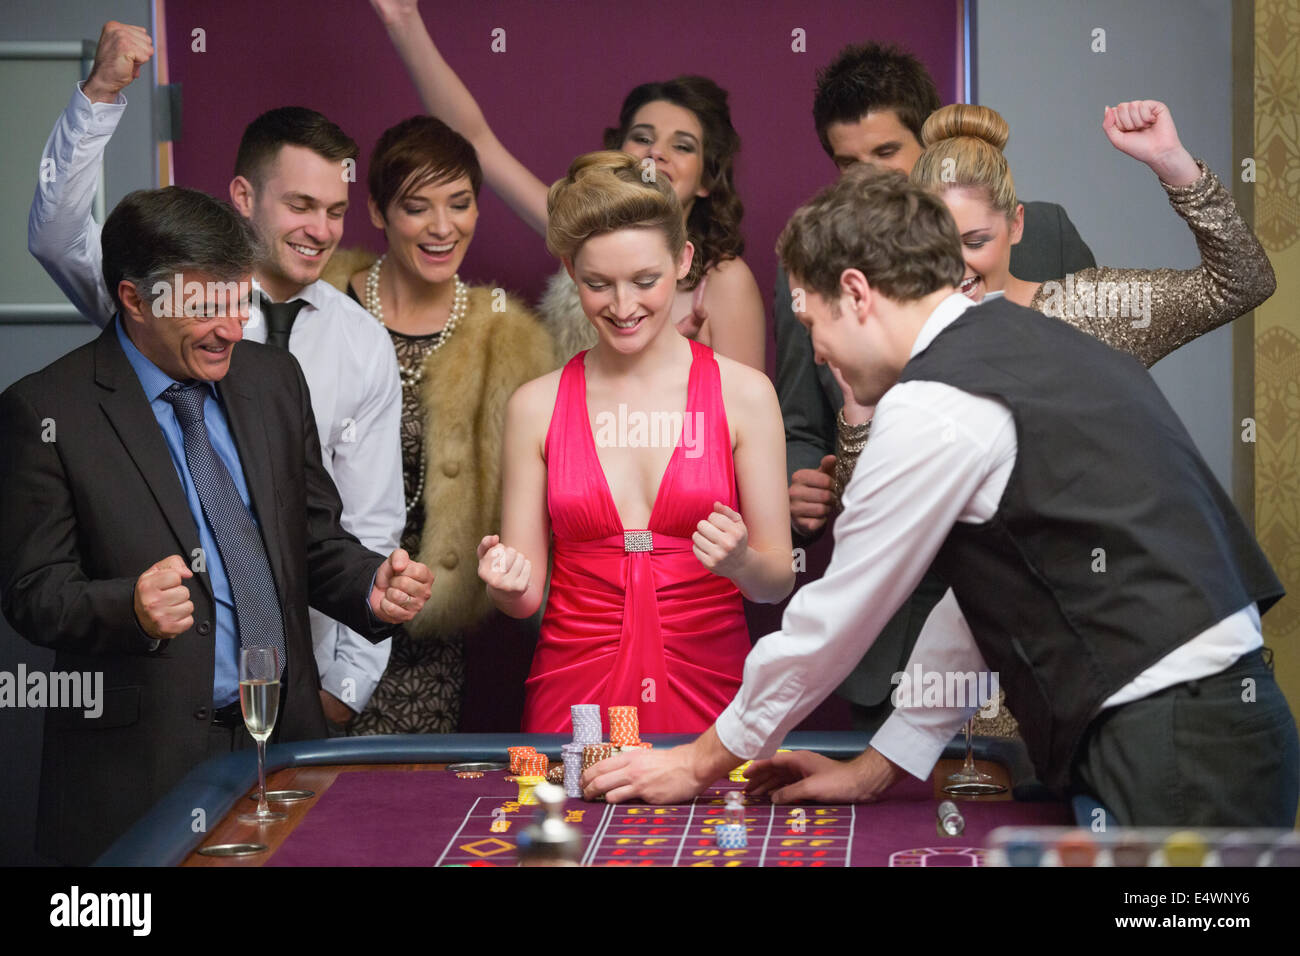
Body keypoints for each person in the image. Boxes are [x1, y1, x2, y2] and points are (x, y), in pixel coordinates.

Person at [581, 165, 1297, 828]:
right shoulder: (1024, 342)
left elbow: (837, 618)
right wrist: (876, 768)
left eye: (812, 324)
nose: (817, 353)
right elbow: (992, 600)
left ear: (857, 292)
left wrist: (697, 762)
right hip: (1210, 725)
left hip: (1176, 742)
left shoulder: (934, 402)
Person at [0, 187, 435, 865]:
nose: (231, 328)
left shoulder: (273, 381)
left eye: (240, 301)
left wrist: (368, 586)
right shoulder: (46, 411)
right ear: (135, 300)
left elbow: (314, 539)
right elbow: (34, 591)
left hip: (284, 746)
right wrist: (129, 609)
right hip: (139, 771)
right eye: (205, 308)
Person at [26, 20, 404, 733]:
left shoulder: (359, 340)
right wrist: (102, 94)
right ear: (244, 196)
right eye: (299, 205)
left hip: (297, 699)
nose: (320, 230)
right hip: (160, 719)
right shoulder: (153, 284)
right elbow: (54, 234)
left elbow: (361, 523)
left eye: (334, 210)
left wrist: (341, 690)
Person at [775, 42, 1096, 734]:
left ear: (932, 143)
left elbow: (1098, 403)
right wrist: (801, 474)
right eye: (847, 163)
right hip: (897, 620)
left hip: (1040, 606)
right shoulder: (811, 264)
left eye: (886, 154)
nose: (866, 178)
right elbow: (801, 419)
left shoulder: (1043, 236)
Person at [477, 152, 792, 733]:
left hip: (712, 691)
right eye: (598, 285)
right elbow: (524, 600)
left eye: (645, 281)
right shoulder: (535, 406)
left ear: (683, 260)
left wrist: (743, 561)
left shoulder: (746, 395)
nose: (623, 308)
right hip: (572, 691)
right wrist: (505, 586)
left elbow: (777, 580)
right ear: (572, 273)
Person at [319, 116, 556, 733]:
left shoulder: (507, 337)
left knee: (403, 816)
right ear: (375, 209)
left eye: (460, 204)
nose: (442, 227)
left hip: (426, 635)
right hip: (312, 614)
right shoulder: (318, 304)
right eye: (417, 206)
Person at [370, 0, 765, 370]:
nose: (656, 152)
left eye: (682, 146)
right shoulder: (578, 229)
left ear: (706, 180)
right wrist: (403, 20)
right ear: (617, 152)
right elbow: (476, 141)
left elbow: (745, 421)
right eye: (642, 137)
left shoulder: (725, 280)